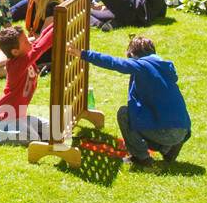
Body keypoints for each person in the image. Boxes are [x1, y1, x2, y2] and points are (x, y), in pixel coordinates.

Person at [81, 35, 191, 168]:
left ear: (133, 54)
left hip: (167, 131)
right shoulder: (162, 66)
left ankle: (142, 158)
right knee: (146, 114)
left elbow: (114, 62)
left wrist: (84, 54)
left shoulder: (142, 66)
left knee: (124, 114)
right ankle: (168, 149)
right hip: (183, 129)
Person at [0, 26, 56, 145]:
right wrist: (57, 29)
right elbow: (40, 47)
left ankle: (15, 131)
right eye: (25, 41)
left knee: (53, 130)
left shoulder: (24, 55)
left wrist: (56, 22)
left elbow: (41, 39)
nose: (30, 41)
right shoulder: (18, 64)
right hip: (5, 119)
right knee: (33, 140)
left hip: (19, 117)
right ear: (15, 52)